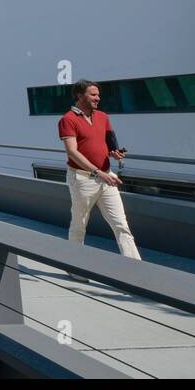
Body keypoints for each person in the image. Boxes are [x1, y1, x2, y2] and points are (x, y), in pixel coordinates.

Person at [58, 80, 141, 261]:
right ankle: (74, 265)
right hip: (82, 179)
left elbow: (110, 140)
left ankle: (136, 270)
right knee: (79, 224)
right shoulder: (68, 120)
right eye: (93, 95)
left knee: (121, 224)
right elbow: (72, 151)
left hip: (106, 177)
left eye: (98, 94)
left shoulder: (103, 116)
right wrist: (98, 172)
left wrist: (115, 152)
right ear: (80, 96)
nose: (98, 98)